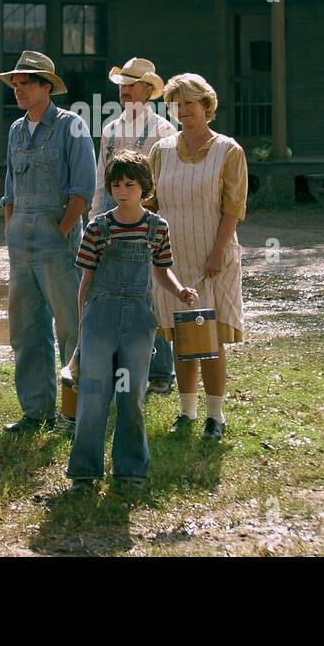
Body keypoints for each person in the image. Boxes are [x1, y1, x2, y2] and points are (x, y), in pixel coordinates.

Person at [67, 149, 197, 492]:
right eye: (116, 184)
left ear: (145, 187)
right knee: (93, 396)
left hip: (139, 323)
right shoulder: (98, 227)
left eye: (129, 184)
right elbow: (86, 281)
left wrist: (181, 290)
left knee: (131, 396)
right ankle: (84, 472)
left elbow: (162, 270)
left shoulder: (157, 227)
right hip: (100, 320)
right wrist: (83, 331)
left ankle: (130, 472)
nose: (122, 190)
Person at [0, 50, 96, 435]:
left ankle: (76, 413)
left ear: (46, 87)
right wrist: (11, 230)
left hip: (59, 242)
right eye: (15, 84)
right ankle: (35, 412)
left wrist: (62, 228)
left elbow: (83, 189)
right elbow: (9, 191)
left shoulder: (71, 126)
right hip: (21, 243)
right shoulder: (16, 131)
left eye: (25, 83)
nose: (18, 90)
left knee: (71, 326)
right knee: (26, 329)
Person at [147, 73, 247, 441]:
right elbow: (152, 203)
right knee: (182, 336)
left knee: (210, 339)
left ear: (207, 106)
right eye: (175, 103)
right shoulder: (161, 150)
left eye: (190, 102)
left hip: (213, 256)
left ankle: (215, 417)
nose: (182, 110)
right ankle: (186, 412)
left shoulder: (228, 150)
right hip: (174, 258)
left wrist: (218, 252)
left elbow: (233, 207)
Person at [89, 57, 178, 396]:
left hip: (147, 214)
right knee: (113, 287)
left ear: (148, 90)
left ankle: (159, 371)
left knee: (150, 290)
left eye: (132, 84)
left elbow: (165, 182)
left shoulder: (164, 131)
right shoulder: (111, 129)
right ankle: (119, 366)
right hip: (113, 214)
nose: (125, 89)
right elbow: (101, 176)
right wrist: (95, 217)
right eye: (122, 84)